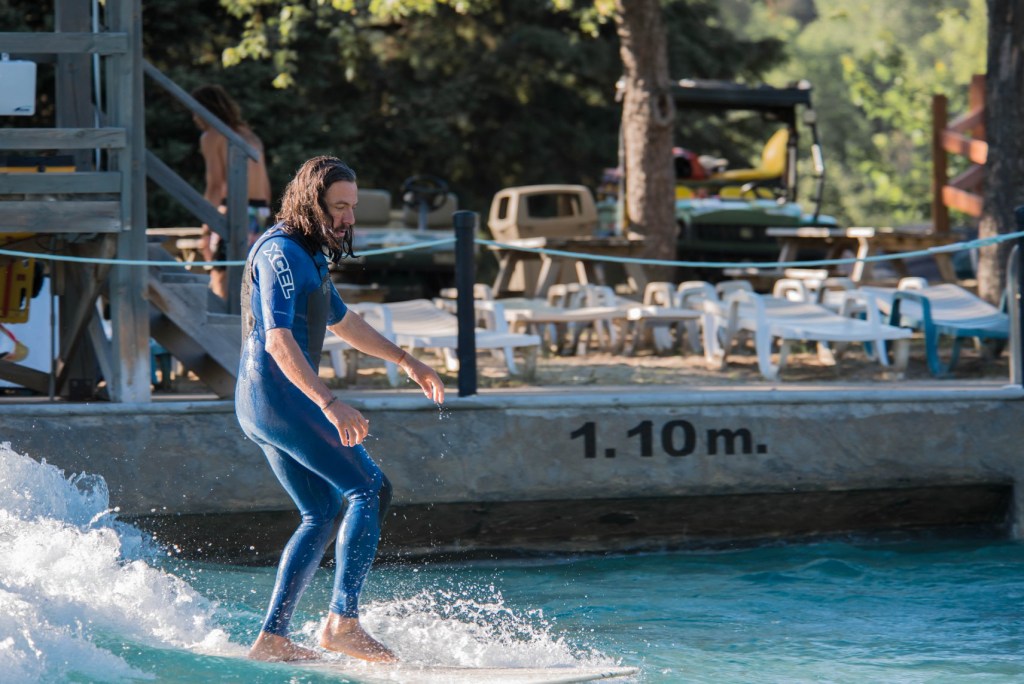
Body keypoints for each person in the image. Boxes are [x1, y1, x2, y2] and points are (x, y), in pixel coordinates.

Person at [235, 156, 445, 662]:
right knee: (369, 488)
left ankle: (272, 639)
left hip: (263, 402)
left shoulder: (309, 251)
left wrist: (407, 360)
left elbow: (342, 320)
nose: (349, 218)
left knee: (322, 511)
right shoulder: (281, 253)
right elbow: (279, 340)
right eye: (340, 207)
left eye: (352, 206)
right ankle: (342, 623)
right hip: (279, 398)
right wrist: (329, 402)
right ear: (312, 204)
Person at [191, 84, 273, 300]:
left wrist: (205, 230)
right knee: (252, 278)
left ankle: (225, 331)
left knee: (221, 275)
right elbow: (265, 185)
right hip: (260, 210)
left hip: (235, 210)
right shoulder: (247, 134)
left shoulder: (212, 136)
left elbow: (215, 185)